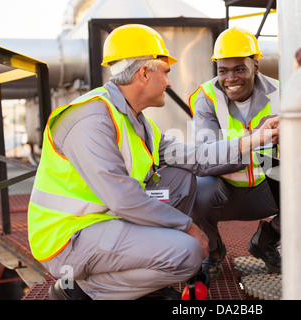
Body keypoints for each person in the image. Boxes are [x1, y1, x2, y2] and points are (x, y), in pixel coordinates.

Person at [27, 24, 279, 300]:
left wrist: (253, 139)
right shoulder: (91, 120)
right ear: (145, 73)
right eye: (166, 72)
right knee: (188, 252)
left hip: (105, 220)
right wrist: (188, 228)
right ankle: (80, 291)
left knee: (180, 179)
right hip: (69, 238)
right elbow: (124, 198)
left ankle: (145, 277)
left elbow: (195, 159)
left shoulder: (138, 122)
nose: (170, 82)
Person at [188, 27, 281, 280]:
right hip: (224, 190)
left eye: (240, 68)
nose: (230, 78)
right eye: (223, 70)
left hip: (266, 186)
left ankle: (267, 240)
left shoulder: (281, 94)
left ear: (256, 66)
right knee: (196, 186)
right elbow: (204, 158)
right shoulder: (207, 97)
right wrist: (252, 141)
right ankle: (214, 250)